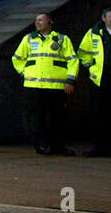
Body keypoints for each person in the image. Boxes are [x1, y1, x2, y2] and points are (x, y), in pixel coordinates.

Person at [11, 12, 77, 156]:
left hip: (56, 87)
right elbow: (17, 58)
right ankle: (41, 146)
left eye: (41, 20)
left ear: (50, 22)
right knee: (37, 118)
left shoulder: (61, 39)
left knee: (57, 118)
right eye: (36, 20)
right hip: (34, 86)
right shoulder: (28, 39)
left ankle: (58, 146)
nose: (37, 22)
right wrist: (25, 73)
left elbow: (73, 60)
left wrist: (70, 80)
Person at [77, 6, 111, 157]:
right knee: (99, 115)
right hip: (100, 79)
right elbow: (83, 52)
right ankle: (102, 149)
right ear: (104, 18)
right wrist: (90, 67)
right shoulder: (93, 33)